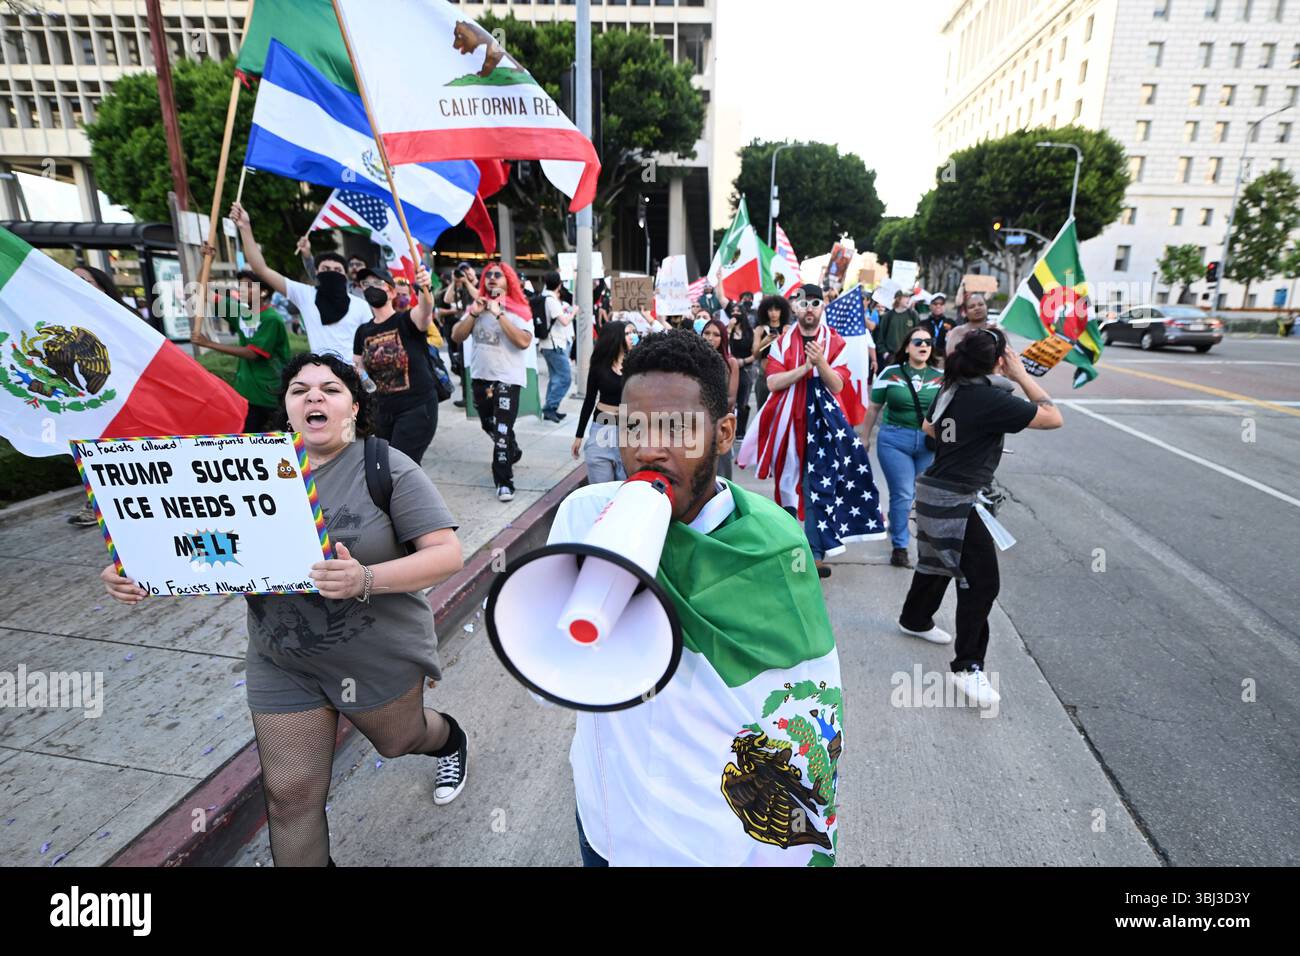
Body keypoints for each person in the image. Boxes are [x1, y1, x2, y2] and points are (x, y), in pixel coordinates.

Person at [99, 353, 468, 867]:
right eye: (300, 389)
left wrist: (366, 578)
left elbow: (447, 554)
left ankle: (449, 740)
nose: (314, 396)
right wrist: (139, 569)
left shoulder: (385, 465)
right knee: (290, 797)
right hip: (282, 659)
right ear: (288, 410)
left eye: (330, 389)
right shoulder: (244, 470)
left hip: (377, 656)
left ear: (354, 408)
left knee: (400, 740)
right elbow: (201, 548)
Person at [549, 330, 844, 867]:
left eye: (677, 428)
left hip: (711, 839)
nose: (649, 448)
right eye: (633, 426)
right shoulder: (583, 515)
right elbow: (552, 683)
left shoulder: (774, 545)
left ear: (724, 432)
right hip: (607, 818)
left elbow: (799, 711)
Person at [897, 327, 1063, 706]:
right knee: (981, 582)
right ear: (999, 361)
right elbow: (1053, 417)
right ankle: (967, 666)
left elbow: (929, 429)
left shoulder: (951, 386)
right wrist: (1021, 377)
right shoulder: (990, 399)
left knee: (939, 561)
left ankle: (914, 619)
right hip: (957, 498)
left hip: (934, 492)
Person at [743, 284, 884, 579]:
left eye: (815, 303)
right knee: (787, 487)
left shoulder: (835, 342)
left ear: (823, 307)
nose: (809, 308)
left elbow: (838, 385)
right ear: (795, 307)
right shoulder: (782, 341)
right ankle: (794, 549)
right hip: (788, 423)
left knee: (817, 485)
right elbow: (772, 382)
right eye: (804, 303)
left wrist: (820, 362)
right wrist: (806, 368)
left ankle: (814, 553)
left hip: (822, 425)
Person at [231, 201, 369, 362]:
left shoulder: (361, 306)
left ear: (345, 276)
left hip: (352, 380)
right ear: (317, 273)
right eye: (326, 269)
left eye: (337, 270)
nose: (331, 273)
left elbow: (370, 345)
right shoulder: (306, 295)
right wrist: (245, 227)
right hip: (320, 377)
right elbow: (261, 269)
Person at [450, 261, 534, 502]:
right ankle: (513, 449)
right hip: (481, 378)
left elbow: (523, 341)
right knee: (489, 425)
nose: (492, 278)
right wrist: (476, 312)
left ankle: (504, 481)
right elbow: (457, 335)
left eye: (498, 275)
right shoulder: (475, 308)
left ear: (508, 280)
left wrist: (499, 314)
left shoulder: (519, 310)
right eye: (488, 275)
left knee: (501, 431)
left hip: (507, 379)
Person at [861, 325, 943, 568]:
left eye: (928, 342)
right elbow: (873, 408)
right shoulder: (890, 373)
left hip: (929, 443)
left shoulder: (941, 378)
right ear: (907, 347)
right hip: (894, 441)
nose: (923, 346)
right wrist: (864, 438)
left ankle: (896, 523)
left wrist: (950, 442)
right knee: (904, 493)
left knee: (920, 495)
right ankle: (900, 546)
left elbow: (949, 413)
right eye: (918, 342)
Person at [67, 265, 136, 527]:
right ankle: (95, 502)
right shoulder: (65, 322)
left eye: (84, 279)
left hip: (121, 401)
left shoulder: (123, 320)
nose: (76, 283)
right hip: (87, 401)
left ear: (103, 287)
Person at [351, 264, 440, 465]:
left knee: (400, 466)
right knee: (383, 466)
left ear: (391, 291)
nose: (371, 287)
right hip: (382, 411)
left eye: (377, 283)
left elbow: (425, 311)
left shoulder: (406, 320)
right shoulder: (363, 331)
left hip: (416, 408)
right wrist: (366, 385)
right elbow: (358, 366)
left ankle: (410, 497)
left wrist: (425, 288)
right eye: (366, 283)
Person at [190, 270, 291, 433]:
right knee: (246, 442)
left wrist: (208, 344)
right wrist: (207, 260)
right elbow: (200, 291)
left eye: (249, 286)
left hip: (271, 393)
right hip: (247, 393)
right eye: (241, 286)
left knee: (285, 442)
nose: (243, 290)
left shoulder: (271, 319)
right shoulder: (239, 311)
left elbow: (253, 353)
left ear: (264, 292)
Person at [570, 320, 633, 483]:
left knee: (624, 488)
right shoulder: (599, 366)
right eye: (627, 333)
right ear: (616, 337)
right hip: (601, 429)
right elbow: (589, 401)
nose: (632, 337)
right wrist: (579, 435)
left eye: (633, 333)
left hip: (629, 431)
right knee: (601, 488)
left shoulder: (636, 364)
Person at [701, 316, 740, 479]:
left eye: (716, 334)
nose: (710, 338)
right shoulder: (695, 360)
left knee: (721, 475)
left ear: (723, 338)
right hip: (697, 422)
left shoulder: (730, 363)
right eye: (707, 333)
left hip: (720, 422)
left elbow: (731, 398)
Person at [536, 270, 573, 423]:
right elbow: (564, 321)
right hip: (554, 344)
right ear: (559, 285)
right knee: (565, 378)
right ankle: (550, 407)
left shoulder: (544, 297)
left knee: (555, 378)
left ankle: (551, 408)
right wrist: (574, 313)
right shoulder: (551, 300)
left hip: (547, 344)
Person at [752, 294, 791, 412]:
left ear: (782, 311)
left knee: (782, 413)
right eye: (770, 309)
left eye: (777, 309)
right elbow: (755, 354)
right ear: (765, 311)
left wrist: (781, 339)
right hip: (763, 377)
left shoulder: (788, 329)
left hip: (783, 377)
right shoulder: (759, 330)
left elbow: (792, 353)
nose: (773, 313)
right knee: (763, 413)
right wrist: (766, 341)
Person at [726, 303, 758, 441]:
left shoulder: (750, 332)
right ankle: (729, 430)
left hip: (745, 369)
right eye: (733, 311)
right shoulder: (728, 331)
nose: (735, 313)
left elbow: (755, 353)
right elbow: (723, 346)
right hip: (730, 369)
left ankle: (741, 431)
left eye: (738, 311)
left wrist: (743, 361)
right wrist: (729, 328)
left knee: (743, 401)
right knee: (730, 401)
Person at [874, 289, 920, 368]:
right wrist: (886, 354)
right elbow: (880, 339)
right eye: (906, 297)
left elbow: (919, 336)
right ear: (898, 299)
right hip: (891, 357)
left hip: (909, 356)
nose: (908, 299)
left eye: (909, 297)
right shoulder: (888, 316)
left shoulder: (913, 315)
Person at [945, 290, 995, 356]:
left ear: (986, 307)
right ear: (965, 312)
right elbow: (951, 357)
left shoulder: (995, 330)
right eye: (972, 306)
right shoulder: (958, 331)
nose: (977, 308)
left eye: (980, 304)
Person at [925, 292, 954, 358]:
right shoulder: (923, 324)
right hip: (927, 358)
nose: (938, 306)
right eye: (935, 304)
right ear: (930, 306)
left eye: (941, 304)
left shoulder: (951, 322)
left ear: (944, 306)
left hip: (945, 358)